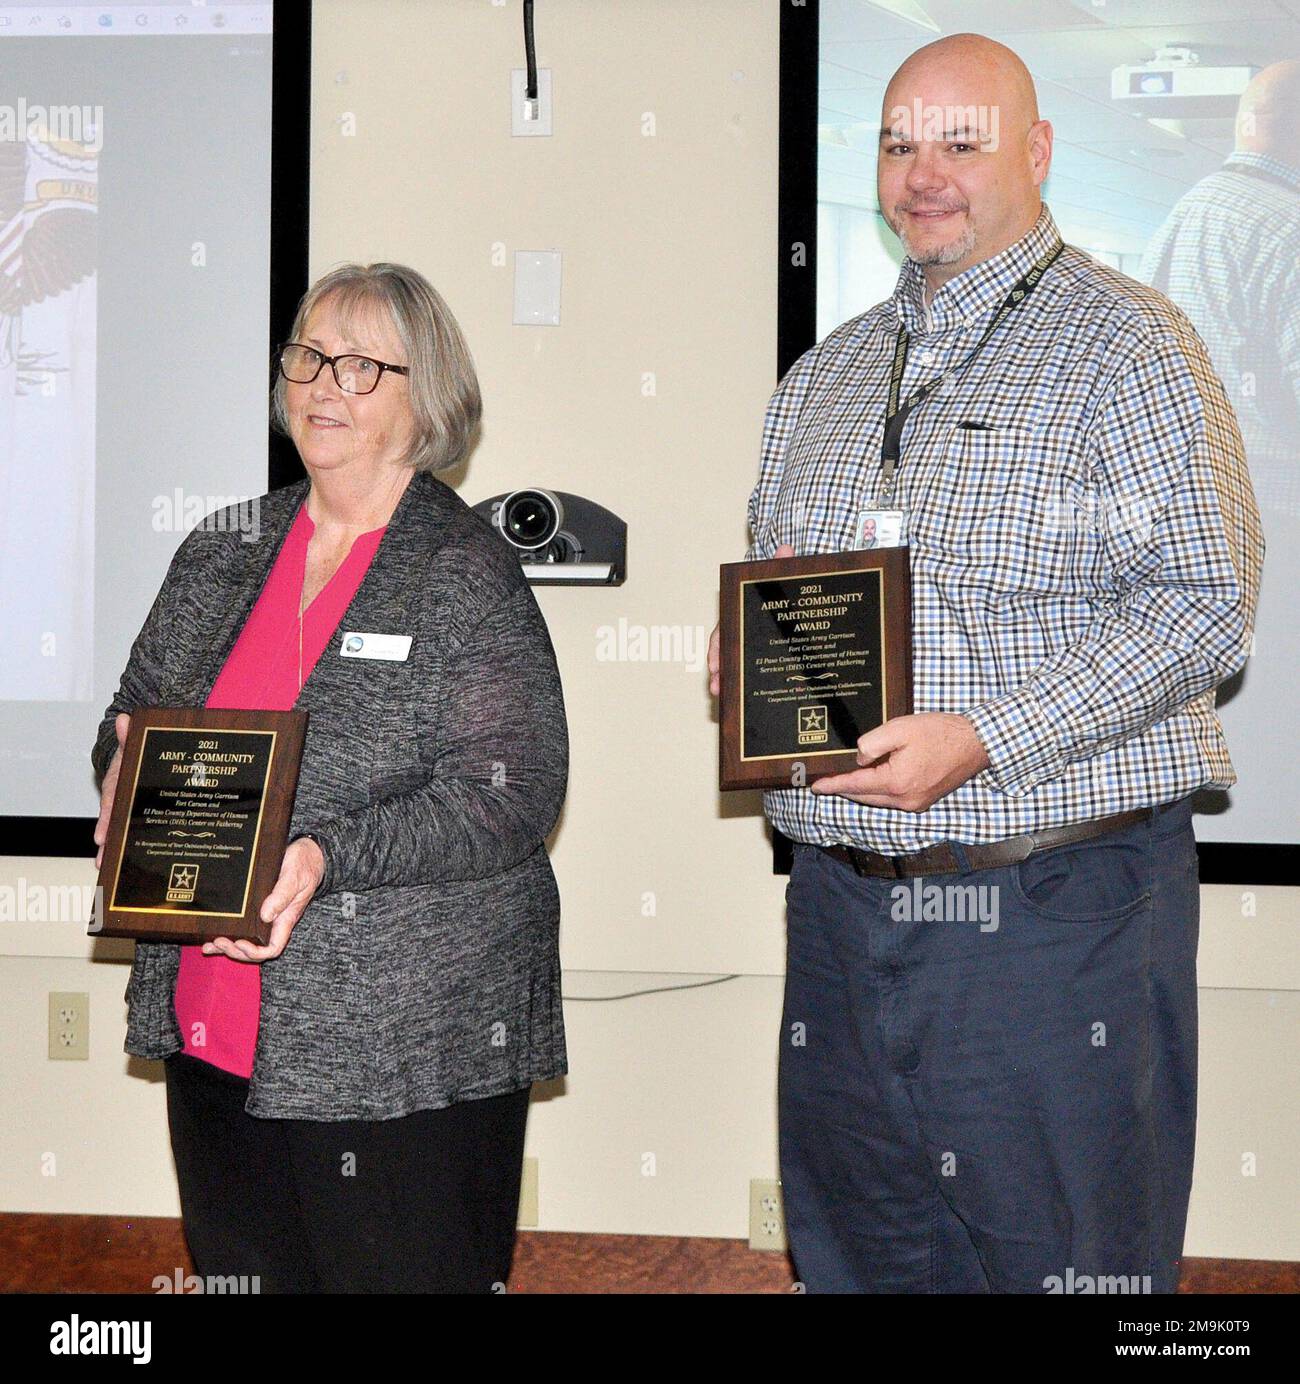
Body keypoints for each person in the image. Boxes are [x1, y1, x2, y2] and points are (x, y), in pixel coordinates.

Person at [709, 33, 1262, 1293]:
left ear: (1037, 151)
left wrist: (984, 735)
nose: (924, 172)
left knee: (1069, 1270)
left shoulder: (1132, 346)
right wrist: (748, 666)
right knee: (858, 1263)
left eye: (961, 140)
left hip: (1051, 918)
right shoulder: (823, 376)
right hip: (843, 913)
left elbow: (1205, 608)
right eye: (900, 142)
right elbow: (795, 593)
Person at [91, 262, 569, 1293]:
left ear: (425, 394)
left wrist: (326, 854)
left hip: (402, 1039)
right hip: (216, 1014)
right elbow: (133, 716)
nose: (322, 387)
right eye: (308, 356)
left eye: (361, 366)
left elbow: (511, 790)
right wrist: (120, 771)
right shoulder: (223, 549)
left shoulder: (463, 570)